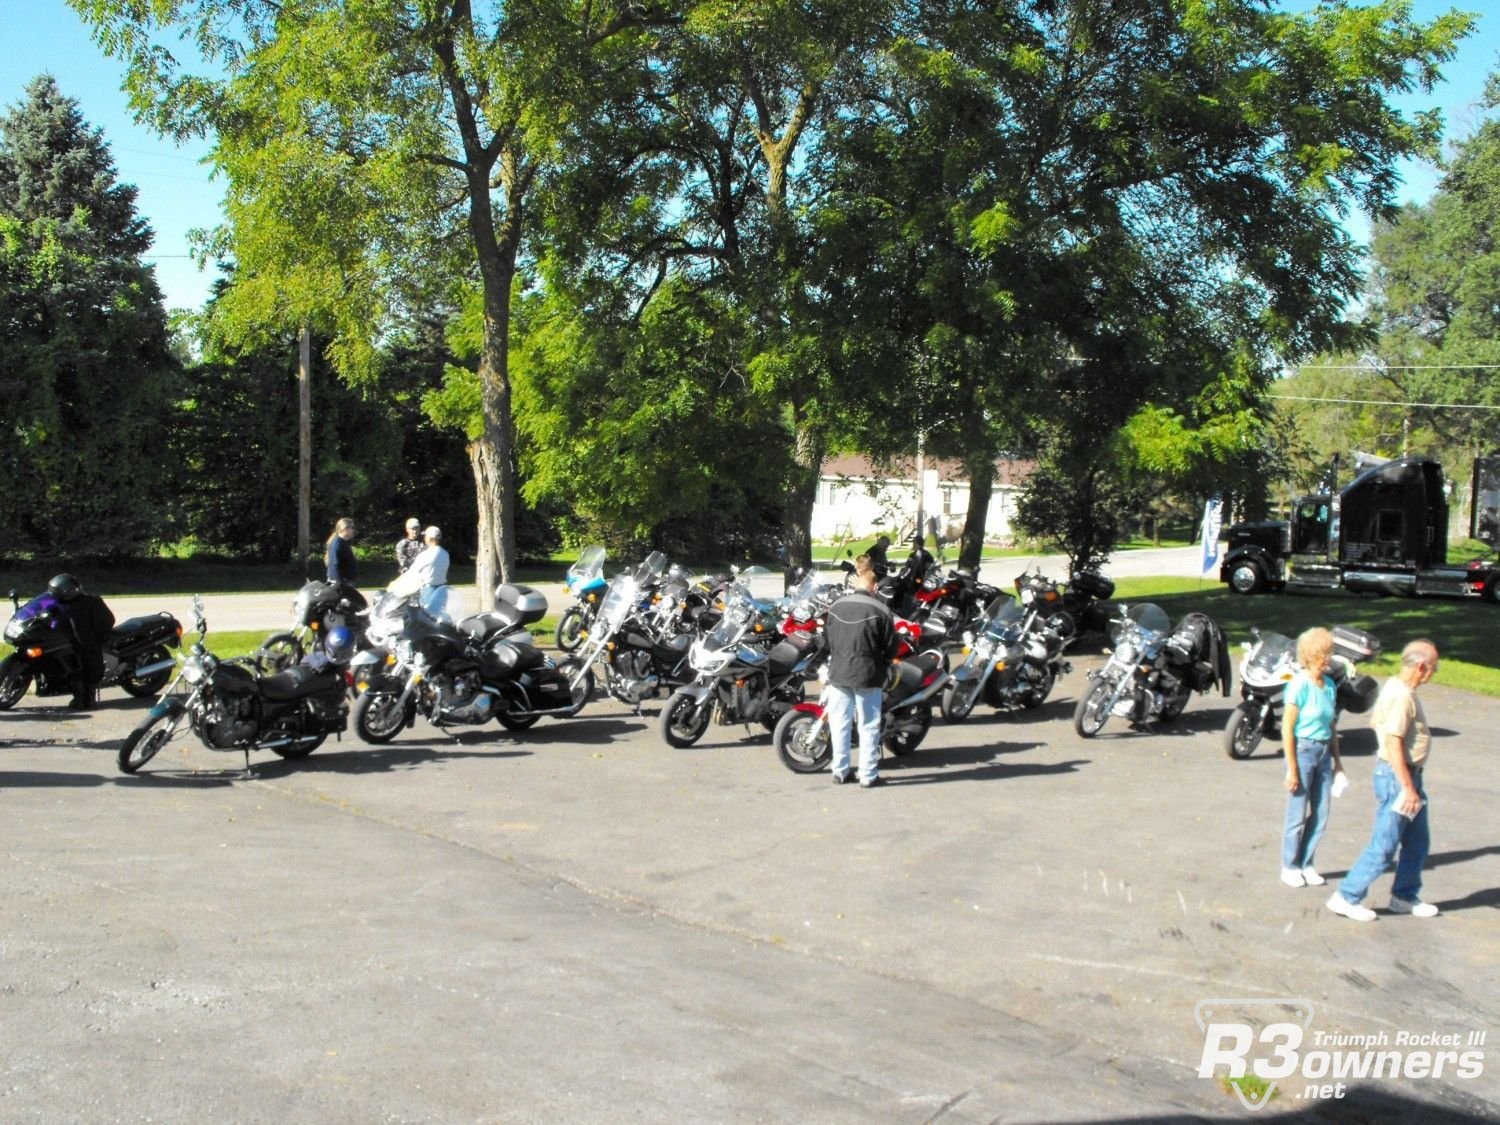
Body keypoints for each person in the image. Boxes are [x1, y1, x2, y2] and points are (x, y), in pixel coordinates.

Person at [1327, 639, 1441, 922]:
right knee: (1385, 844)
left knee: (1417, 842)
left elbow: (1376, 723)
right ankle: (1347, 896)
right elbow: (1392, 743)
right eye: (1434, 668)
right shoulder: (1402, 696)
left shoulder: (1396, 687)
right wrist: (1408, 787)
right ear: (1422, 667)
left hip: (1406, 776)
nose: (1434, 673)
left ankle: (1404, 896)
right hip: (1398, 778)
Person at [824, 554, 900, 788]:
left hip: (838, 673)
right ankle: (867, 776)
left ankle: (840, 771)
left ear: (854, 584)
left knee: (839, 723)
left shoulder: (836, 607)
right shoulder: (880, 609)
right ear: (874, 587)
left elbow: (827, 640)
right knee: (867, 725)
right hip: (868, 674)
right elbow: (891, 646)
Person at [1280, 627, 1344, 888]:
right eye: (1324, 654)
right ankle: (1289, 865)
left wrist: (1338, 763)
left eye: (1330, 653)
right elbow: (1287, 727)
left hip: (1323, 752)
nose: (1328, 659)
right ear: (1311, 655)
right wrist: (1292, 768)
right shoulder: (1299, 684)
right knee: (1297, 814)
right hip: (1303, 751)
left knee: (1320, 812)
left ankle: (1307, 863)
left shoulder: (1329, 686)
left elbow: (1331, 726)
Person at [49, 573, 115, 710]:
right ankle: (82, 698)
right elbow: (40, 606)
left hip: (90, 643)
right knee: (77, 666)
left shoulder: (91, 602)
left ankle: (87, 699)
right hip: (73, 642)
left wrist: (99, 635)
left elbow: (107, 621)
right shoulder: (58, 602)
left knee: (88, 667)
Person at [404, 525, 452, 621]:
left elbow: (412, 571)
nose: (424, 538)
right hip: (442, 588)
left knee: (427, 618)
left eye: (425, 536)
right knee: (439, 616)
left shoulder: (425, 555)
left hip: (429, 589)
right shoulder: (445, 553)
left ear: (429, 538)